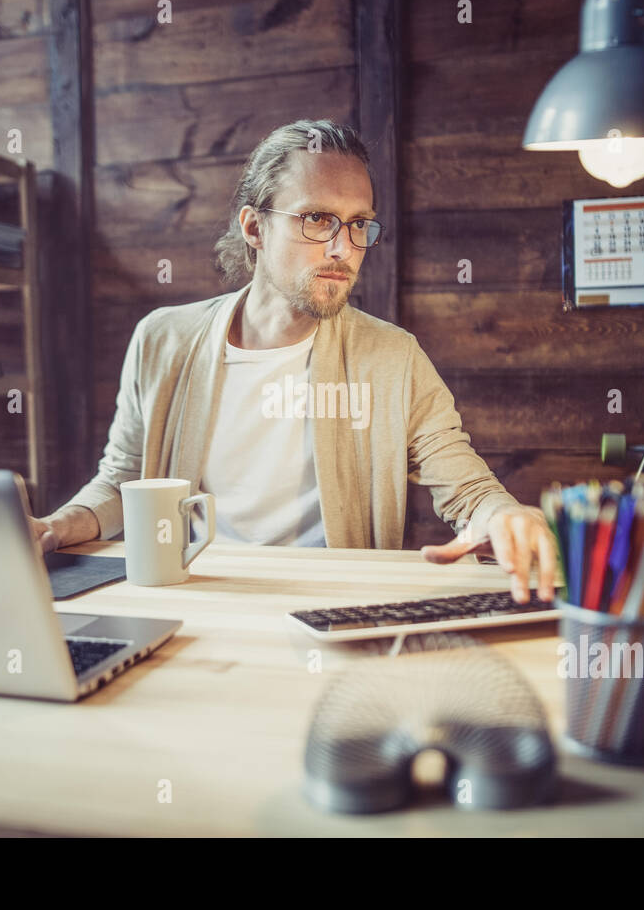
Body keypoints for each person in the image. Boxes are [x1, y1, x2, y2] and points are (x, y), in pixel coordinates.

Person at [29, 118, 558, 603]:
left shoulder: (392, 357)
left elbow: (469, 490)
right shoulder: (162, 340)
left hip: (334, 609)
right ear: (254, 228)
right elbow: (123, 482)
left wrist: (507, 515)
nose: (342, 248)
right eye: (316, 219)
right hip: (194, 596)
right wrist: (53, 527)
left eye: (358, 225)